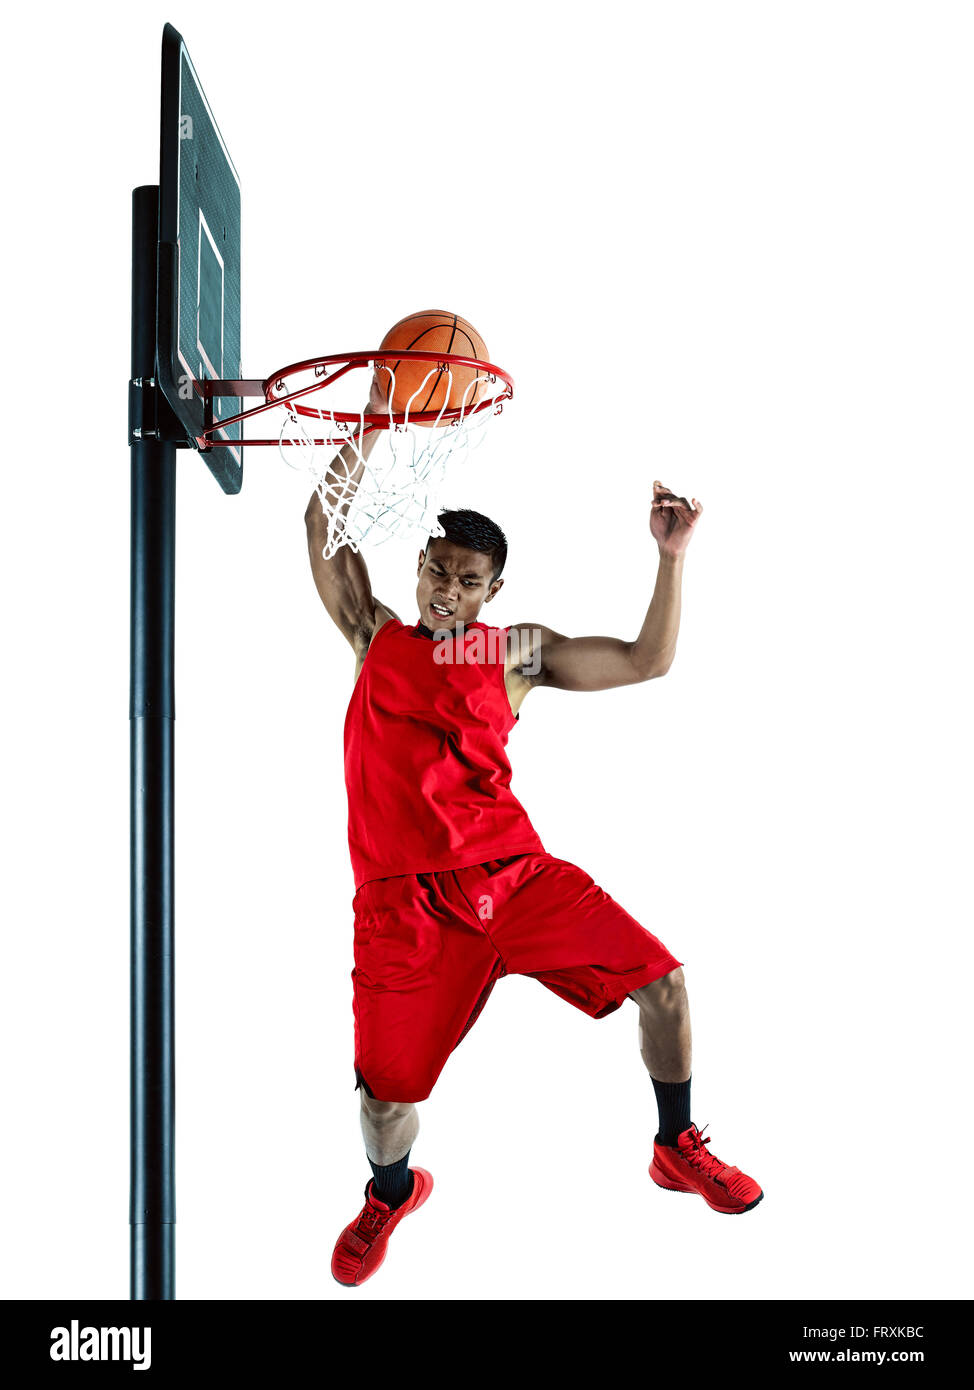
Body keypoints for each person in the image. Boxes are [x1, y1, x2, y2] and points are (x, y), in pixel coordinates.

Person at [305, 391, 762, 1288]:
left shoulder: (515, 653)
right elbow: (322, 515)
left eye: (467, 579)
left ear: (493, 591)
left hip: (516, 880)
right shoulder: (375, 635)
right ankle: (391, 1192)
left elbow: (645, 660)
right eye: (437, 569)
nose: (447, 588)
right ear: (422, 568)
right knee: (386, 1104)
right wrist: (376, 418)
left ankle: (677, 1144)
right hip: (405, 907)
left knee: (665, 985)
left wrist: (670, 558)